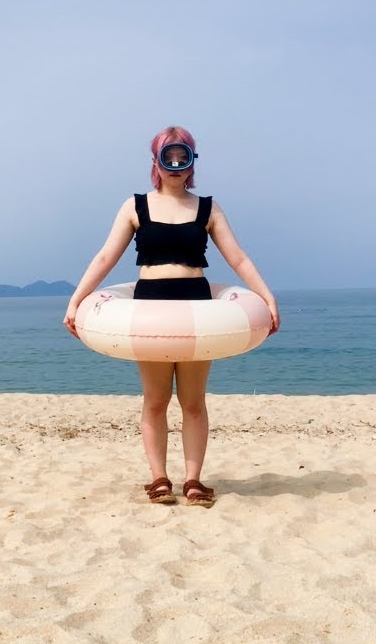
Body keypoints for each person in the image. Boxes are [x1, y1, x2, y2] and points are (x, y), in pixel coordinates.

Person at [63, 126, 280, 507]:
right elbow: (105, 257)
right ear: (156, 162)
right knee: (156, 399)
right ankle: (159, 478)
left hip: (197, 309)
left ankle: (194, 480)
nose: (176, 165)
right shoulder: (135, 206)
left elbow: (238, 257)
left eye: (183, 157)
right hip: (150, 310)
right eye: (169, 157)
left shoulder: (208, 208)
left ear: (193, 160)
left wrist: (267, 297)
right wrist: (75, 300)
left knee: (194, 402)